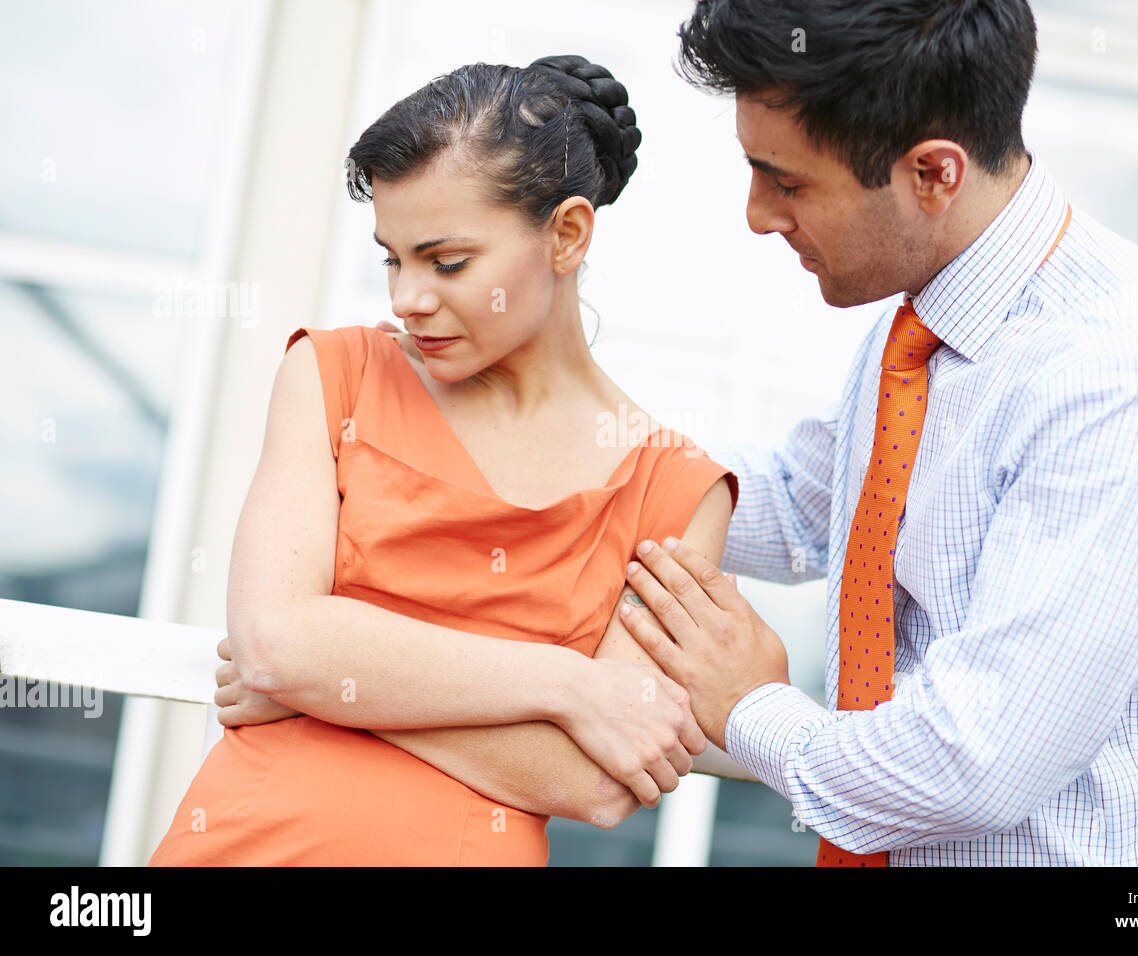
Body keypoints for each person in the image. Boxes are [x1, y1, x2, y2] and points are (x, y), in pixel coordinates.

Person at [617, 0, 1138, 865]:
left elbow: (977, 757)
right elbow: (798, 502)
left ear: (933, 172)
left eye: (786, 181)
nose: (757, 215)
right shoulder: (927, 334)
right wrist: (557, 458)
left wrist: (747, 707)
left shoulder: (1133, 372)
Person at [148, 54, 740, 866]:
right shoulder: (334, 375)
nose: (407, 298)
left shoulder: (672, 490)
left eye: (447, 262)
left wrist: (333, 691)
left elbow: (595, 783)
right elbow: (277, 644)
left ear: (567, 234)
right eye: (393, 258)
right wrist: (566, 685)